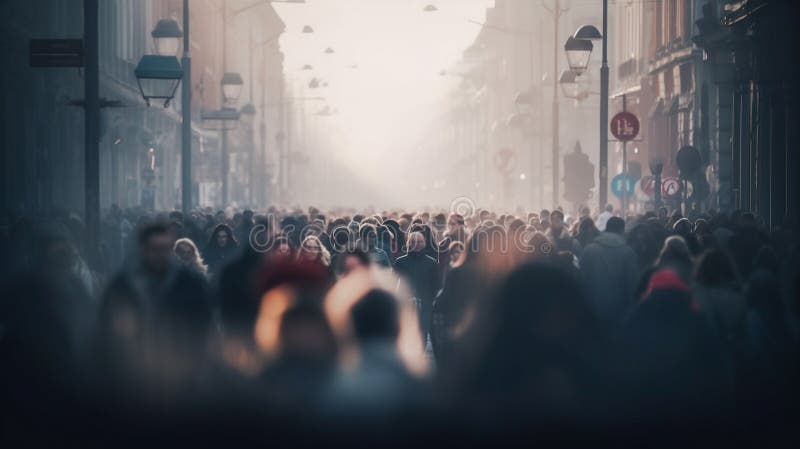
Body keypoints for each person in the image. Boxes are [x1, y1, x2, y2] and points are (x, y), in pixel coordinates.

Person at [580, 216, 639, 326]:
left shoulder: (589, 250)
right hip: (619, 312)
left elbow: (581, 279)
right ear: (622, 230)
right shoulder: (628, 252)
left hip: (592, 310)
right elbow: (632, 284)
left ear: (606, 228)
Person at [394, 231, 440, 346]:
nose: (416, 244)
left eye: (419, 241)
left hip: (425, 306)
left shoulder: (432, 263)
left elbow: (436, 285)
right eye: (413, 241)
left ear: (424, 243)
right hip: (406, 305)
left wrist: (429, 301)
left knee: (422, 337)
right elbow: (393, 282)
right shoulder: (400, 262)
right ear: (408, 243)